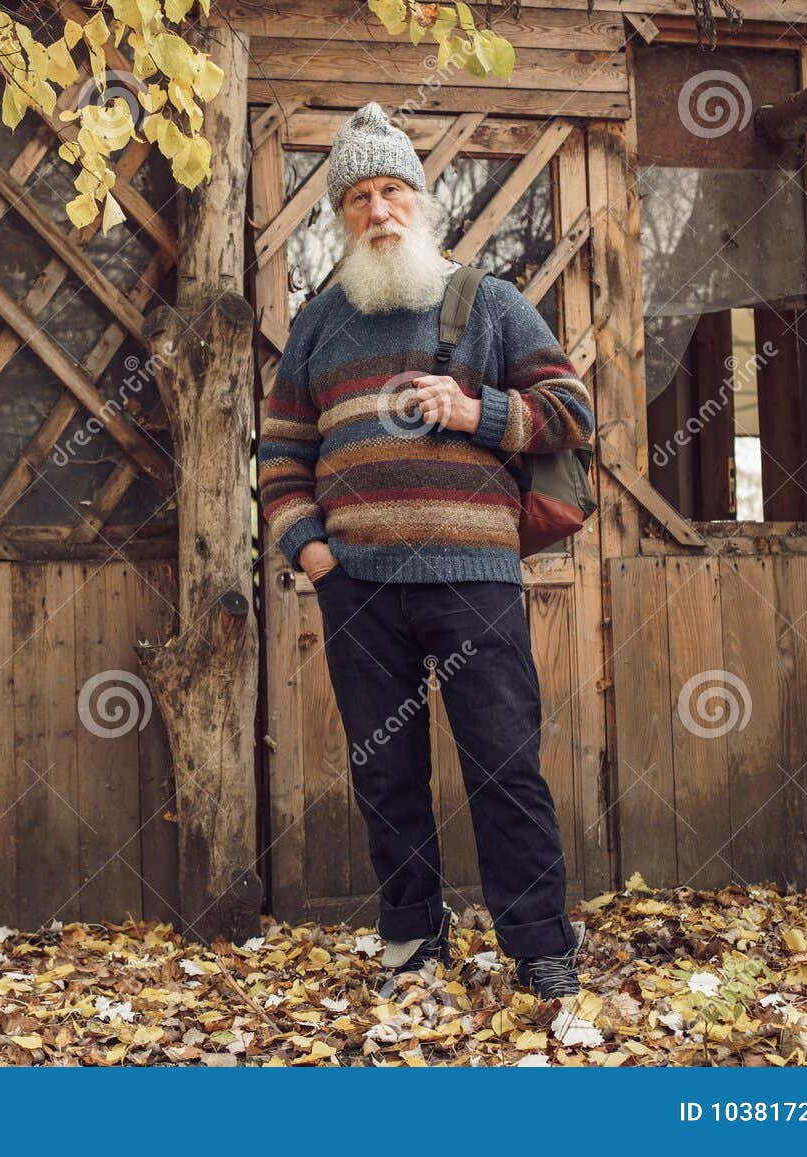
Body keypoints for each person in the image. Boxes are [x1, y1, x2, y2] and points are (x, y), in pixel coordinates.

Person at [259, 102, 596, 1000]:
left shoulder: (492, 303)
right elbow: (282, 453)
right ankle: (412, 940)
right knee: (386, 774)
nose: (378, 210)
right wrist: (312, 552)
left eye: (393, 190)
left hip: (475, 582)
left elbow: (574, 412)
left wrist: (479, 411)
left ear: (423, 200)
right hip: (359, 589)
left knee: (504, 765)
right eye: (359, 196)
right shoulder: (319, 324)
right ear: (341, 215)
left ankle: (540, 946)